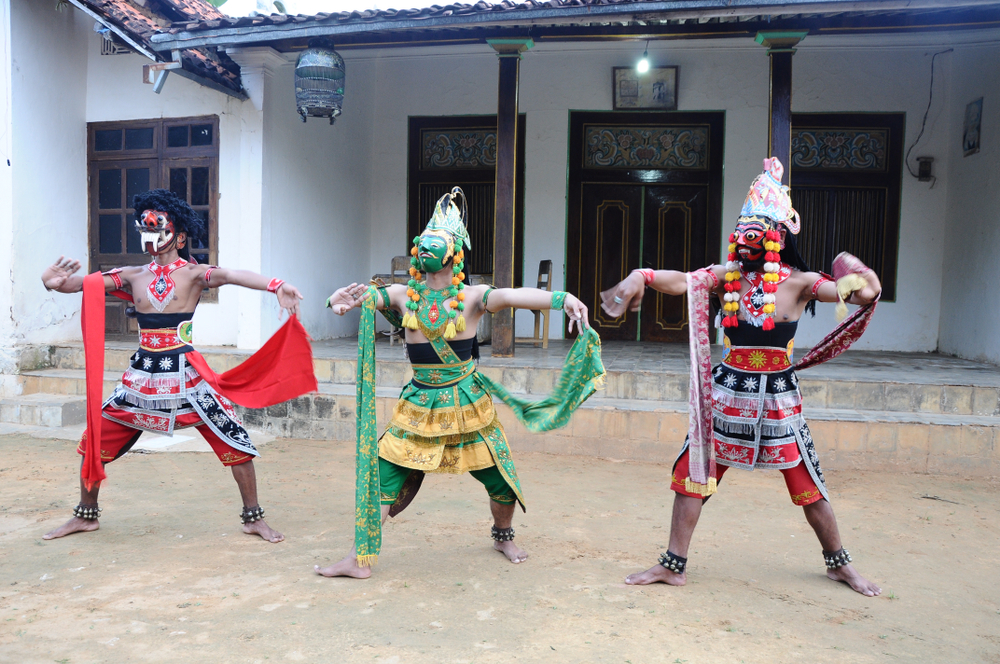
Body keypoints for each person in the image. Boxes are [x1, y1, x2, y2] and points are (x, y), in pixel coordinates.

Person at [602, 158, 882, 596]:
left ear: (778, 237)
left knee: (806, 481)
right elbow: (682, 282)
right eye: (743, 231)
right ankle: (673, 565)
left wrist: (853, 267)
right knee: (694, 472)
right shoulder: (727, 276)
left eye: (758, 232)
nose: (746, 241)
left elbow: (864, 294)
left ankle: (839, 564)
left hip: (777, 399)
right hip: (728, 392)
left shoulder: (801, 282)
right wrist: (642, 275)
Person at [316, 187, 605, 578]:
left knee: (499, 477)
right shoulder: (404, 295)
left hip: (467, 402)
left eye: (438, 244)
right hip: (419, 403)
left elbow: (514, 294)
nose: (428, 250)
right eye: (425, 243)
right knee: (383, 472)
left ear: (454, 255)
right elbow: (360, 299)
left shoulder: (472, 297)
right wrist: (335, 301)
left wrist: (563, 298)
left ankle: (503, 535)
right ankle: (358, 556)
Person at [40, 188, 314, 543]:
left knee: (234, 439)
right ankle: (86, 514)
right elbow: (80, 284)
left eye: (158, 226)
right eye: (145, 227)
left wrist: (277, 285)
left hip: (187, 376)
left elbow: (233, 274)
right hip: (141, 378)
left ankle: (253, 518)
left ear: (179, 235)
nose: (151, 234)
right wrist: (52, 283)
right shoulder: (133, 274)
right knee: (95, 439)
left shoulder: (195, 274)